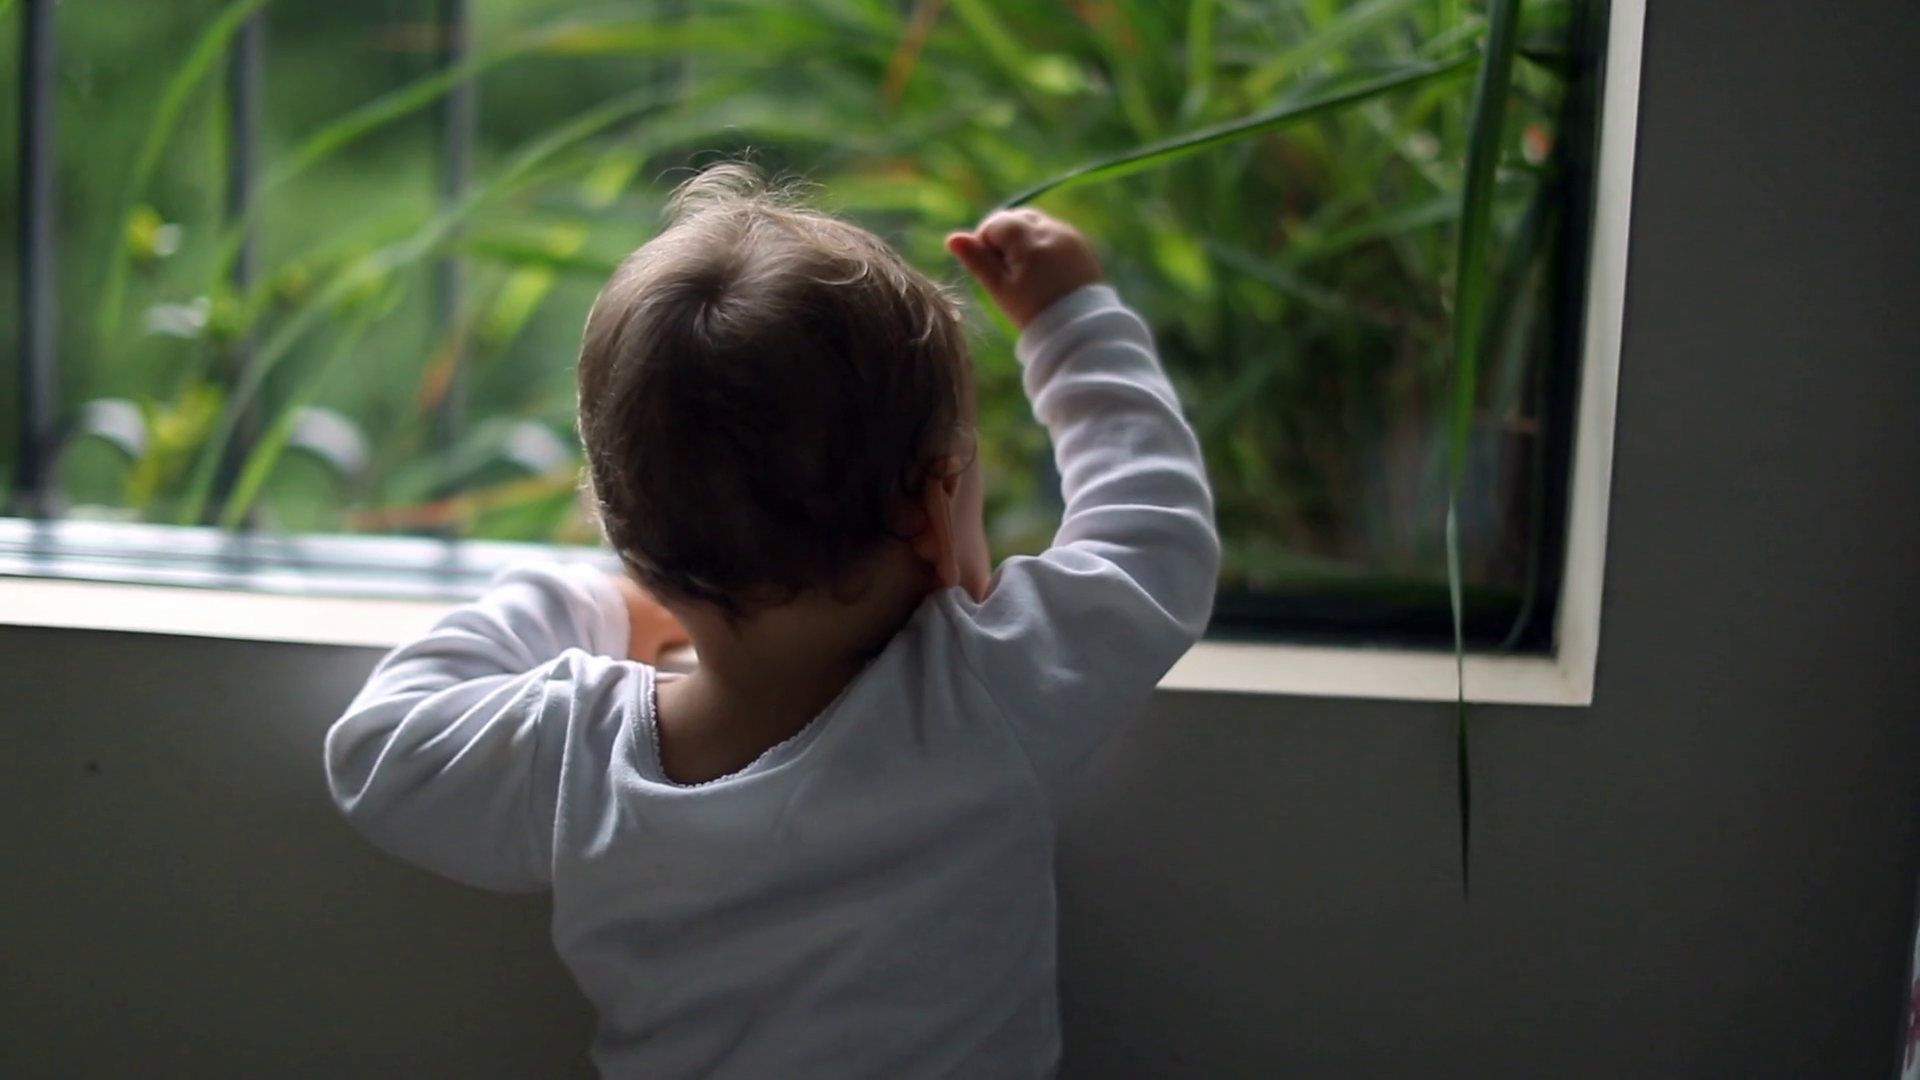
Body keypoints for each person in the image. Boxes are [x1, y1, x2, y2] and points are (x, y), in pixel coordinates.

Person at [324, 165, 1219, 1078]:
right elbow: (1154, 540)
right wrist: (1071, 319)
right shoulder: (984, 692)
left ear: (630, 540)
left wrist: (592, 602)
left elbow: (378, 748)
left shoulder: (580, 760)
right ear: (935, 505)